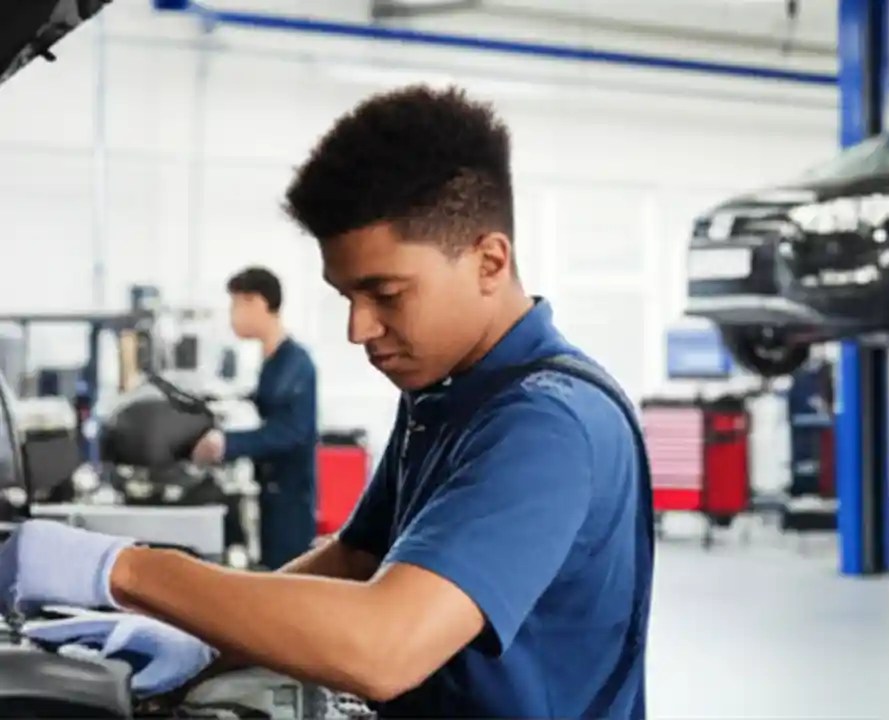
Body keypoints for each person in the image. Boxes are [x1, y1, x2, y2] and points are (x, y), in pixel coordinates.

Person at [0, 86, 654, 718]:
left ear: (489, 261)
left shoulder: (544, 425)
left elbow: (384, 646)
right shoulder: (450, 393)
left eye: (388, 294)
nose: (358, 329)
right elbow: (356, 559)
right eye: (348, 298)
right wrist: (203, 638)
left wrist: (123, 571)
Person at [191, 267, 319, 570]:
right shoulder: (273, 360)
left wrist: (227, 444)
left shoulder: (295, 362)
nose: (232, 317)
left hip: (290, 496)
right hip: (271, 490)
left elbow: (294, 430)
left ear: (258, 304)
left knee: (288, 576)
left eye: (236, 306)